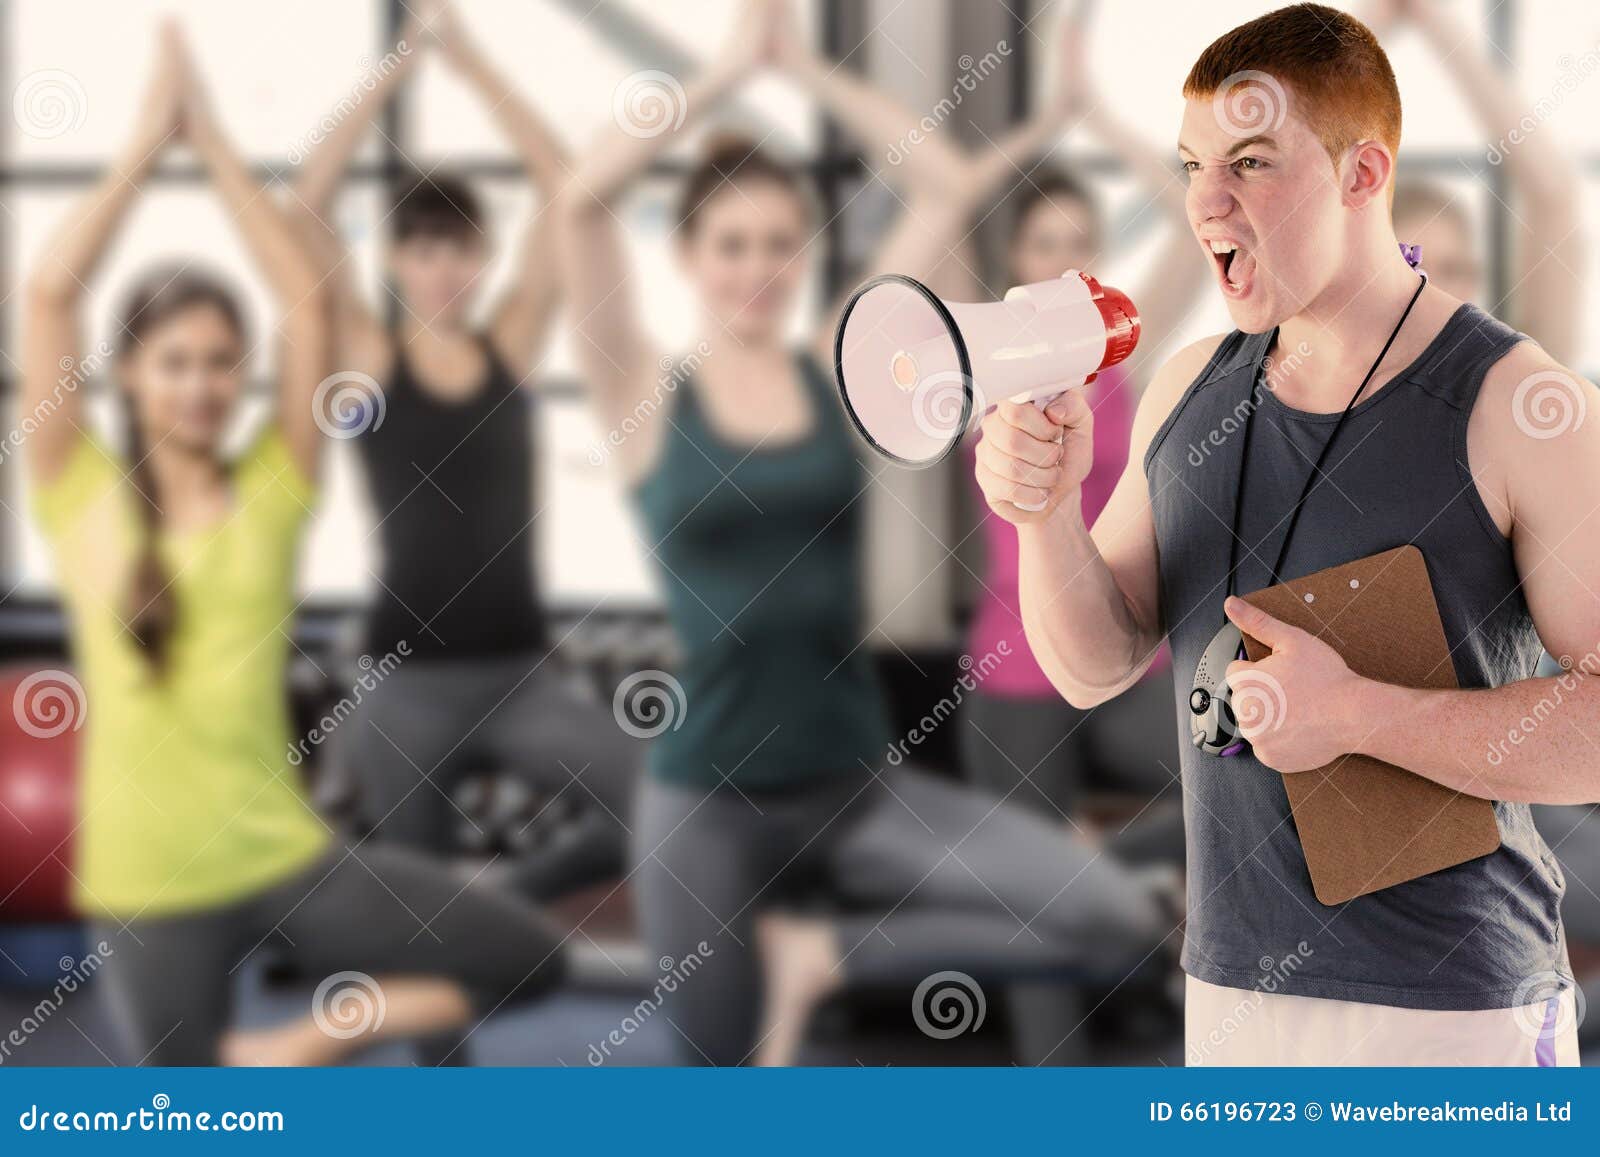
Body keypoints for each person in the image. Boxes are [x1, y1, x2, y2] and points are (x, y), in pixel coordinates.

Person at [559, 0, 1180, 1067]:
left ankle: (825, 955)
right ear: (687, 254)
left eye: (777, 243)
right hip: (704, 797)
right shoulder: (641, 394)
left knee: (1103, 912)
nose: (756, 265)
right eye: (731, 244)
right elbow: (577, 204)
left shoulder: (840, 366)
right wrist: (718, 76)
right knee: (716, 1077)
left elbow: (942, 181)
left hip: (854, 781)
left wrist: (799, 64)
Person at [975, 3, 1598, 1065]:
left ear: (1362, 174)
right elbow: (1093, 662)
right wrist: (1045, 514)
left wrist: (1353, 714)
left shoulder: (1519, 404)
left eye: (1252, 162)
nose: (1205, 202)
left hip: (1456, 1011)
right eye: (1190, 166)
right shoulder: (1187, 388)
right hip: (1230, 997)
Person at [22, 26, 565, 1066]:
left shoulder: (275, 485)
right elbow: (50, 294)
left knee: (528, 957)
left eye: (222, 362)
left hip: (284, 856)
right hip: (148, 880)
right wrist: (145, 146)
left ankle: (293, 1047)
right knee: (190, 1115)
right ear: (128, 374)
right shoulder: (76, 487)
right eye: (174, 361)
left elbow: (305, 299)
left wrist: (214, 143)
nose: (201, 383)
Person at [283, 0, 636, 900]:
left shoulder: (510, 345)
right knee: (419, 915)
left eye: (460, 251)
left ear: (481, 258)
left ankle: (508, 899)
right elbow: (306, 200)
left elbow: (565, 187)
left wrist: (471, 64)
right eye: (424, 251)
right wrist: (397, 67)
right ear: (397, 259)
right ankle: (447, 1009)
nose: (443, 271)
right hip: (406, 686)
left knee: (660, 804)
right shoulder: (370, 354)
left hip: (520, 674)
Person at [945, 1, 1207, 1066]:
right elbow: (929, 227)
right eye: (1040, 245)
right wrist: (1028, 128)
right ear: (1013, 259)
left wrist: (1095, 116)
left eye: (1078, 247)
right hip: (1011, 683)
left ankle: (1102, 864)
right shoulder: (980, 365)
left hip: (1117, 659)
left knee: (1235, 775)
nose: (1061, 263)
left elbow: (1192, 217)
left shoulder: (1122, 367)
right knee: (1034, 924)